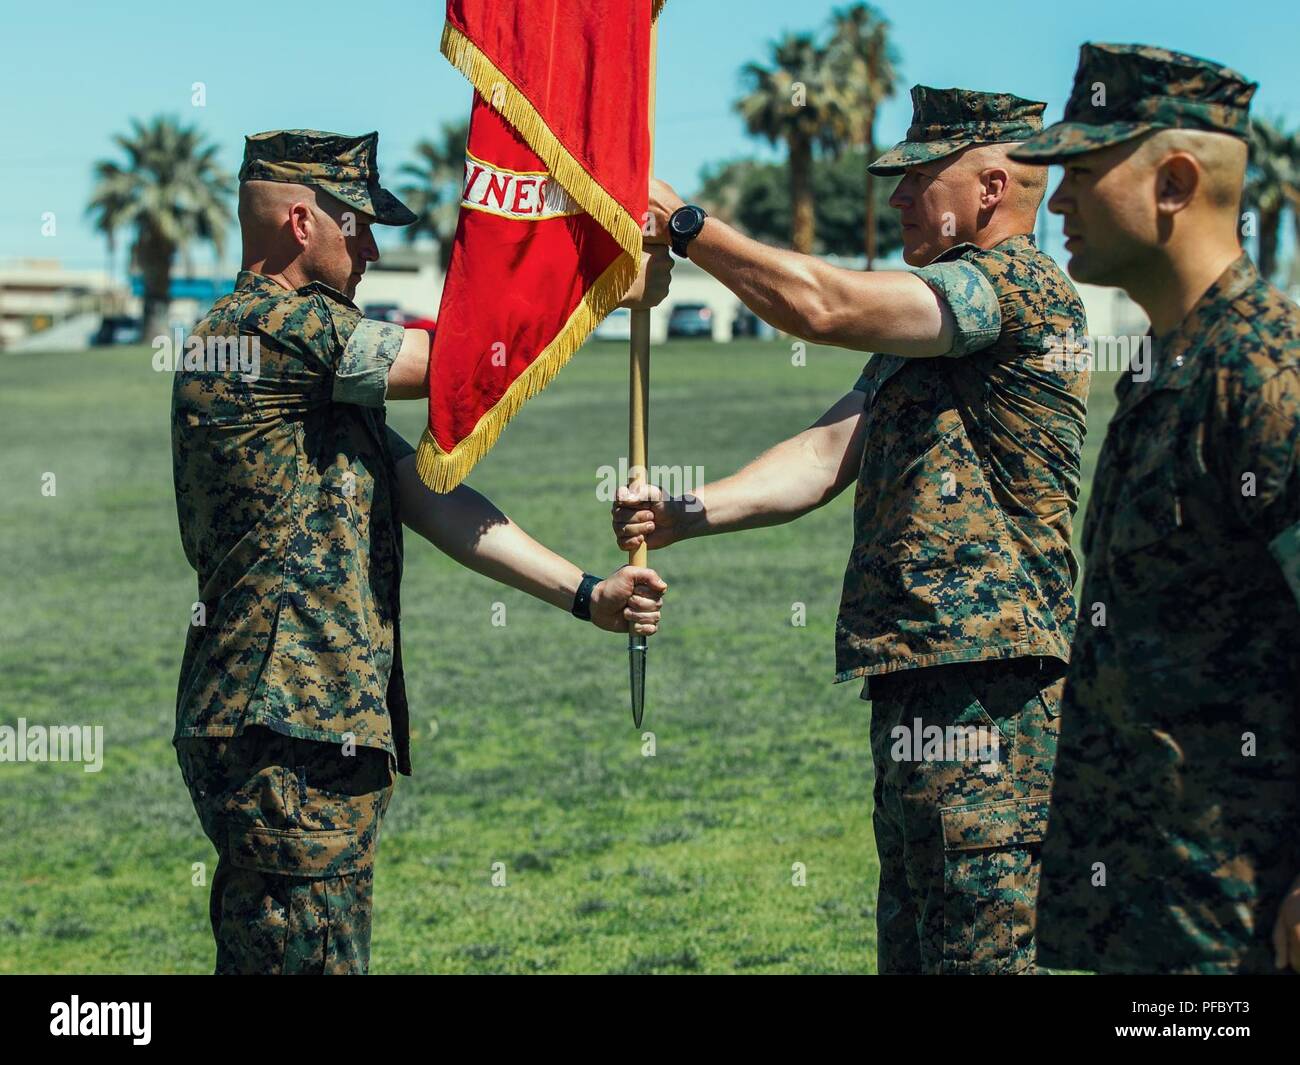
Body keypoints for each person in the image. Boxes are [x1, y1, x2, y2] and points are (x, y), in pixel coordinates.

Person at [172, 128, 672, 974]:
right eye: (358, 226)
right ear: (301, 222)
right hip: (283, 726)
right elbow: (459, 364)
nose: (370, 249)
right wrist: (601, 281)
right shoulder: (265, 327)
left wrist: (587, 593)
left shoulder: (312, 376)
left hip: (302, 724)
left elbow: (433, 496)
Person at [615, 88, 1091, 973]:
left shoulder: (1011, 287)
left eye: (919, 176)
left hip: (988, 687)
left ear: (991, 188)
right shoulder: (932, 328)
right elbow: (823, 453)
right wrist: (684, 513)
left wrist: (684, 224)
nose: (897, 196)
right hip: (920, 678)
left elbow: (821, 306)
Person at [1009, 42, 1300, 974]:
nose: (1056, 202)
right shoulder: (1167, 360)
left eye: (1082, 172)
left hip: (1241, 919)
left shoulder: (1265, 372)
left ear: (1174, 183)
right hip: (1152, 905)